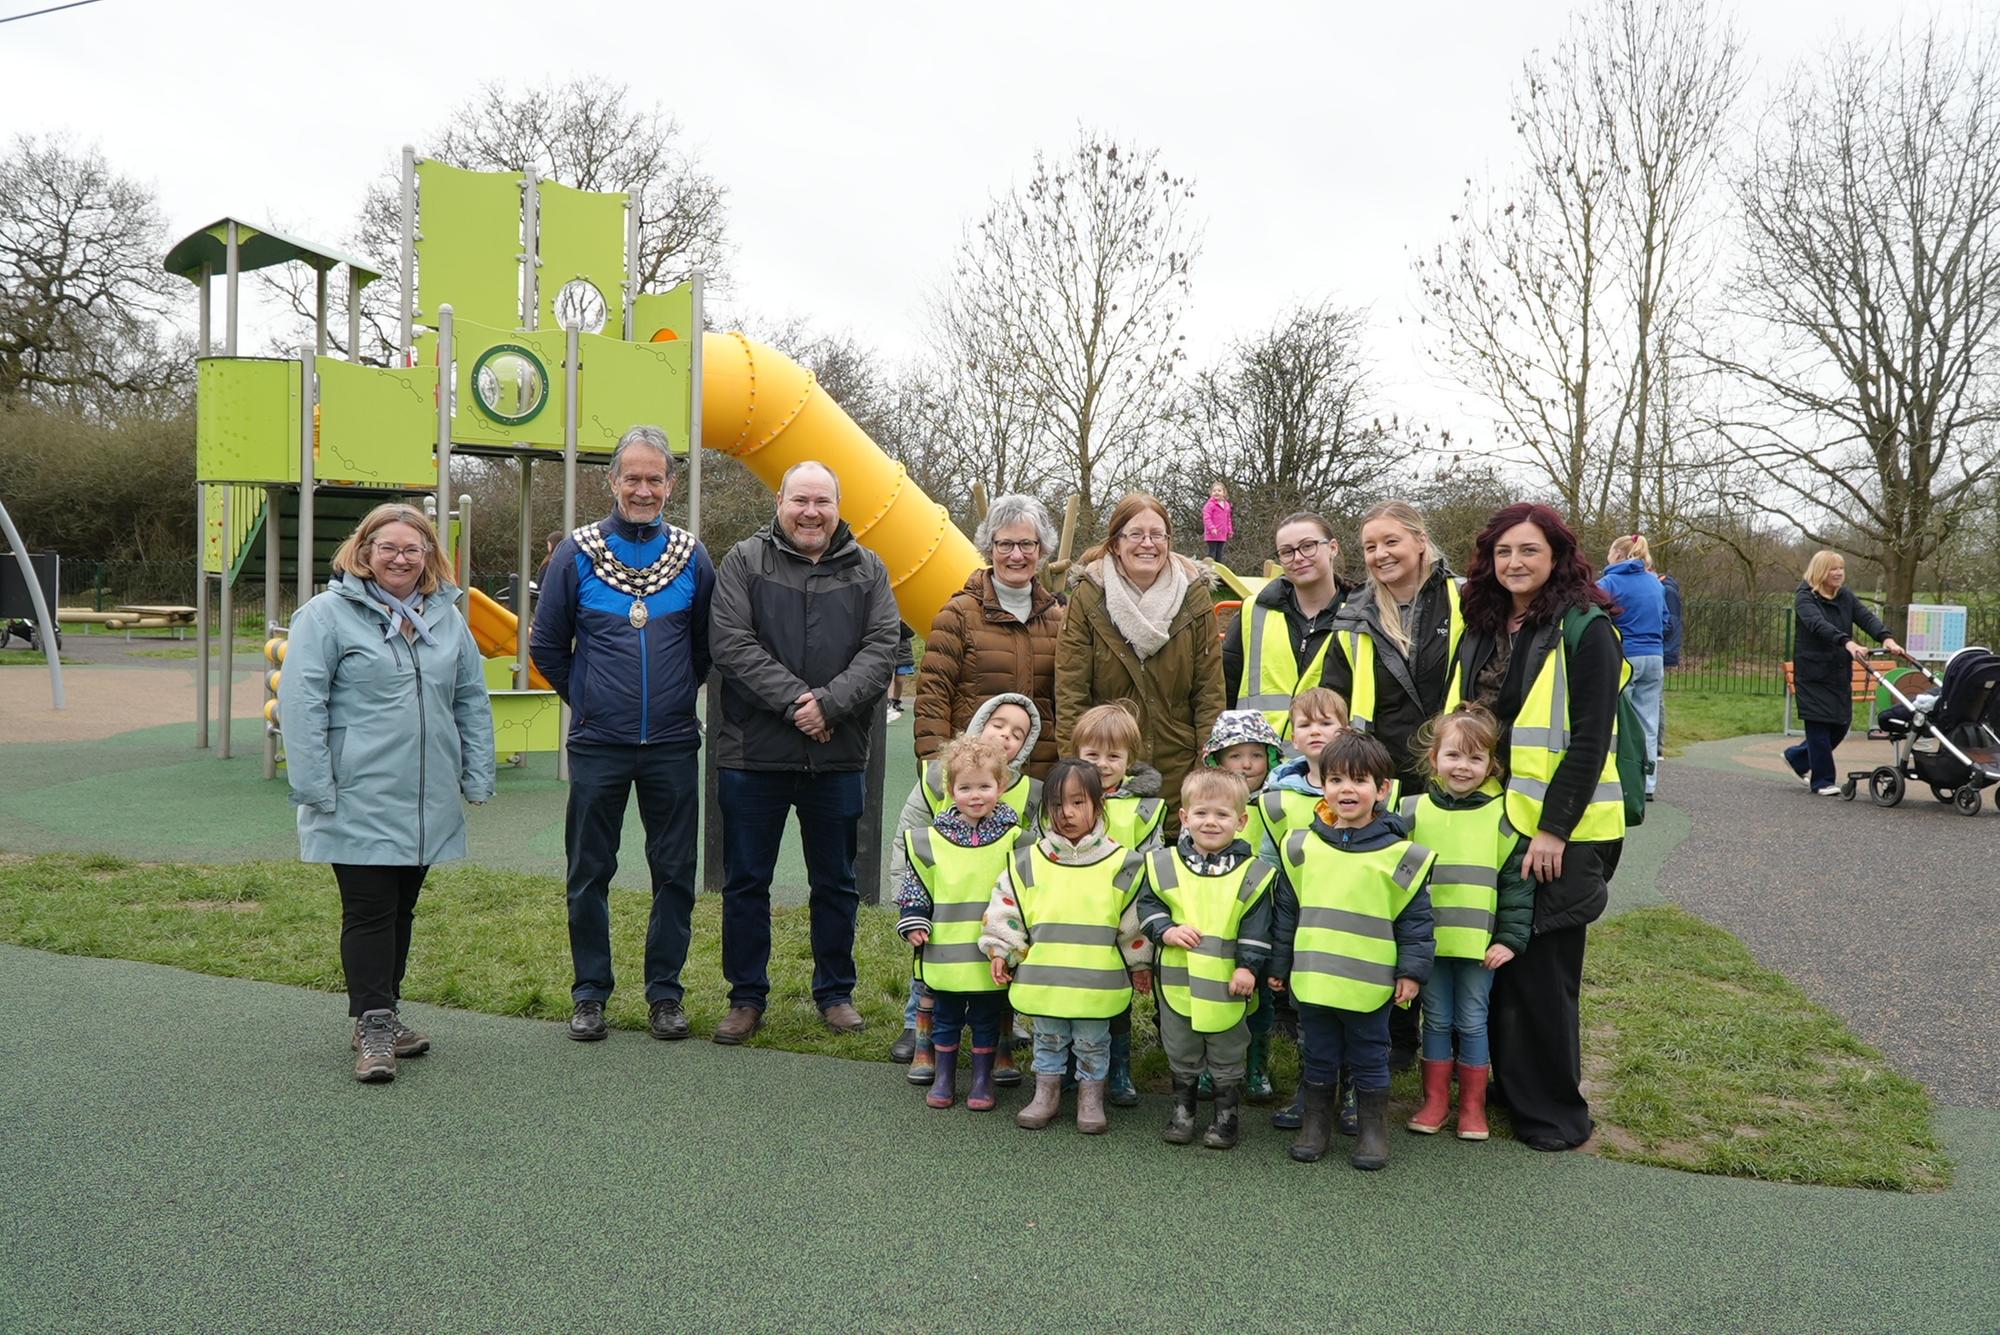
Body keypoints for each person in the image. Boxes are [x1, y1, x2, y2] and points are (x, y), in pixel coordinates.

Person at [279, 503, 496, 1083]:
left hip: (427, 795)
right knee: (370, 908)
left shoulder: (447, 617)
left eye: (413, 548)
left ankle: (385, 1012)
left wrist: (477, 772)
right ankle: (372, 1022)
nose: (400, 558)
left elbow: (471, 698)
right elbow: (302, 705)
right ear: (364, 552)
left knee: (401, 907)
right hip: (360, 790)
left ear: (428, 557)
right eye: (388, 547)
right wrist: (314, 786)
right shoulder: (325, 616)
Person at [1447, 501, 1625, 1151]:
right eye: (1503, 552)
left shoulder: (1585, 627)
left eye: (1528, 550)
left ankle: (1554, 1110)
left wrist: (1553, 828)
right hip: (1499, 820)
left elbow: (1589, 738)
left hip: (1564, 832)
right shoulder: (1487, 624)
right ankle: (1512, 1086)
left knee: (1544, 975)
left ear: (1557, 556)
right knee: (1505, 965)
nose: (1515, 562)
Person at [530, 426, 716, 1044]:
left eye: (654, 478)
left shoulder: (691, 556)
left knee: (675, 871)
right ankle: (590, 994)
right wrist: (588, 702)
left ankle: (665, 994)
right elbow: (549, 647)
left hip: (669, 743)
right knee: (589, 870)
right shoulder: (577, 553)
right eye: (631, 478)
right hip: (598, 744)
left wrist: (670, 702)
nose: (643, 489)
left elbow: (704, 650)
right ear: (611, 482)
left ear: (670, 484)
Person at [709, 460, 899, 1042]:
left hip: (837, 756)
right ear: (780, 502)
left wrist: (829, 705)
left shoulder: (870, 571)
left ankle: (835, 992)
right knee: (746, 881)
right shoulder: (743, 561)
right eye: (800, 500)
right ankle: (746, 997)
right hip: (752, 755)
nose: (810, 512)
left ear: (838, 507)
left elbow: (882, 646)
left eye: (822, 501)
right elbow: (731, 644)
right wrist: (799, 702)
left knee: (836, 881)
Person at [1268, 732, 1436, 1170]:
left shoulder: (1403, 855)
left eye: (1359, 781)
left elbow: (1416, 922)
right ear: (1321, 785)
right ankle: (1316, 1124)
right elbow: (1287, 911)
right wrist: (1280, 965)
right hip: (1315, 980)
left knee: (1369, 1055)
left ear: (1382, 790)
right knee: (1318, 1053)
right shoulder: (1301, 847)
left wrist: (1412, 972)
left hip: (1370, 984)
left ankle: (1372, 1129)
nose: (1346, 789)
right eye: (1336, 779)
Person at [979, 759, 1152, 1134]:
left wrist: (1140, 964)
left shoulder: (1122, 863)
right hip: (1046, 979)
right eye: (1057, 804)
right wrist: (1000, 949)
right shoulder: (1029, 861)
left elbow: (1132, 923)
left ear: (1098, 803)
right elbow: (1007, 908)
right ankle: (1046, 1094)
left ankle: (1091, 1098)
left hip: (1096, 984)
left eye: (1078, 803)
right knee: (1048, 1038)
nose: (1067, 813)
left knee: (1093, 1041)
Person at [886, 692, 1042, 1082]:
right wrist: (906, 901)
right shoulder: (935, 781)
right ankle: (918, 1031)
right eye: (998, 725)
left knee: (999, 974)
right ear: (979, 725)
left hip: (996, 910)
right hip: (943, 906)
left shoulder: (1029, 793)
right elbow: (908, 840)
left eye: (1018, 734)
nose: (1006, 736)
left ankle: (1001, 1044)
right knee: (929, 974)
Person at [1056, 491, 1225, 839]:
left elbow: (1210, 694)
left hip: (1177, 766)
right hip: (1106, 768)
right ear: (1116, 543)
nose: (1147, 543)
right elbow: (1071, 693)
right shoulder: (1089, 598)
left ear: (1168, 541)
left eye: (1157, 534)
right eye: (1135, 534)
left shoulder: (1195, 599)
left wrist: (1205, 774)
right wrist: (1076, 776)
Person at [1398, 704, 1533, 1141]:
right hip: (1428, 945)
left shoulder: (1505, 817)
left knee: (1472, 1021)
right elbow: (1396, 879)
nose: (1463, 766)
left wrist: (1510, 939)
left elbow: (1516, 886)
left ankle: (1472, 1107)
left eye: (1476, 758)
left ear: (1492, 764)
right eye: (1454, 755)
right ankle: (1436, 1101)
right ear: (1433, 757)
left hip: (1479, 948)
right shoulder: (1411, 812)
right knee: (1434, 1020)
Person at [1135, 769, 1275, 1150]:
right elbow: (1148, 905)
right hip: (1177, 980)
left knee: (1228, 1049)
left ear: (1241, 821)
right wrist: (1165, 929)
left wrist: (1248, 966)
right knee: (1180, 1046)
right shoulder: (1163, 865)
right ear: (1184, 818)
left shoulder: (1254, 874)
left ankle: (1226, 1118)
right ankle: (1183, 1112)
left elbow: (1258, 925)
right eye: (1201, 813)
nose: (1210, 822)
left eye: (1222, 814)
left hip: (1228, 983)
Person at [894, 736, 1024, 1112]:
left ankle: (983, 1079)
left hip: (991, 955)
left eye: (985, 786)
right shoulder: (931, 841)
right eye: (965, 787)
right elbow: (916, 885)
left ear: (1000, 787)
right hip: (945, 952)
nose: (975, 795)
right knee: (946, 1018)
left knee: (986, 1019)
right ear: (951, 791)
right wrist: (914, 919)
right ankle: (945, 1075)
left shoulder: (1017, 840)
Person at [914, 493, 1065, 778]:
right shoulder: (958, 615)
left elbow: (1066, 705)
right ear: (990, 547)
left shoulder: (1058, 622)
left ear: (1041, 549)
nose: (1016, 555)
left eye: (1026, 544)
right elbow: (933, 700)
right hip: (974, 782)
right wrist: (937, 772)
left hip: (1039, 781)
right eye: (1005, 544)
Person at [1325, 501, 1464, 796]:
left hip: (1457, 775)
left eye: (1391, 542)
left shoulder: (1464, 600)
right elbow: (1334, 696)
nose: (1381, 554)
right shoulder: (1353, 614)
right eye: (1370, 547)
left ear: (1421, 541)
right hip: (1379, 779)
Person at [1199, 709, 1288, 1105]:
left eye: (1256, 754)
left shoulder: (1274, 804)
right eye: (1236, 755)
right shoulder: (1205, 806)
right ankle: (1209, 1066)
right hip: (1215, 916)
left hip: (1262, 916)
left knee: (1259, 997)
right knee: (1211, 990)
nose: (1247, 764)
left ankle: (1256, 1064)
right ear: (1218, 761)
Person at [1222, 511, 1354, 739]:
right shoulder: (1253, 612)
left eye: (1308, 546)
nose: (1298, 557)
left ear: (1333, 548)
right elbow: (1224, 690)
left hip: (1331, 766)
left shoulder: (1357, 619)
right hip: (1258, 765)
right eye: (1287, 552)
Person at [1786, 551, 1903, 796]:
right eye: (1833, 569)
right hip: (1813, 671)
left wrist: (1886, 638)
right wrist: (1847, 643)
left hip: (1837, 670)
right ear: (1820, 571)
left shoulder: (1845, 596)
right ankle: (1823, 781)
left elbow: (1866, 618)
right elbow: (1818, 625)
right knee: (1818, 724)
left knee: (1840, 724)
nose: (1839, 573)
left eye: (1841, 568)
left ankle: (1797, 757)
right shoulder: (1805, 598)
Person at [1598, 535, 1667, 802]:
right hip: (1654, 655)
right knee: (1648, 721)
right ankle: (1648, 783)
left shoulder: (1609, 583)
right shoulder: (1654, 583)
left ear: (1617, 553)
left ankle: (1620, 778)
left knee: (1617, 721)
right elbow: (1664, 619)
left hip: (1626, 656)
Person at [1071, 701, 1165, 853]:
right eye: (1093, 755)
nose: (1102, 764)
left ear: (1130, 761)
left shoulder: (1144, 808)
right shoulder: (1059, 798)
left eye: (1113, 756)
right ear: (1078, 755)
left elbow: (1153, 859)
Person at [886, 622, 916, 722]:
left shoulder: (905, 619)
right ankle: (889, 700)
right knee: (889, 676)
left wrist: (900, 623)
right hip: (889, 649)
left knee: (899, 679)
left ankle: (895, 699)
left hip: (902, 653)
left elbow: (910, 632)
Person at [1202, 481, 1234, 562]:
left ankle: (1217, 571)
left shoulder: (1226, 505)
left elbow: (1228, 518)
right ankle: (1209, 570)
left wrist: (1229, 530)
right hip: (1212, 534)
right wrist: (1212, 528)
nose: (1216, 492)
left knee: (1219, 554)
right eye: (1214, 491)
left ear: (1224, 493)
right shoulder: (1210, 505)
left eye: (1219, 491)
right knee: (1212, 553)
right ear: (1211, 493)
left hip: (1222, 534)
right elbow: (1207, 518)